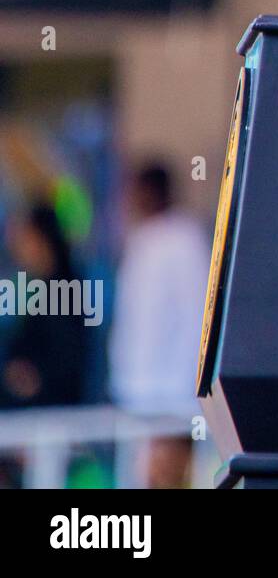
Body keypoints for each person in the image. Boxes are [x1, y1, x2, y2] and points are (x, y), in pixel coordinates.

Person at [109, 162, 209, 487]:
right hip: (138, 396)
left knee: (172, 478)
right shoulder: (141, 241)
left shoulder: (184, 239)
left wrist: (184, 393)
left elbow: (197, 317)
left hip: (173, 396)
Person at [0, 203, 90, 408]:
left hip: (52, 416)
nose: (17, 247)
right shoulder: (38, 289)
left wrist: (31, 379)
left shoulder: (64, 291)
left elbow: (66, 362)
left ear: (42, 240)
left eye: (24, 239)